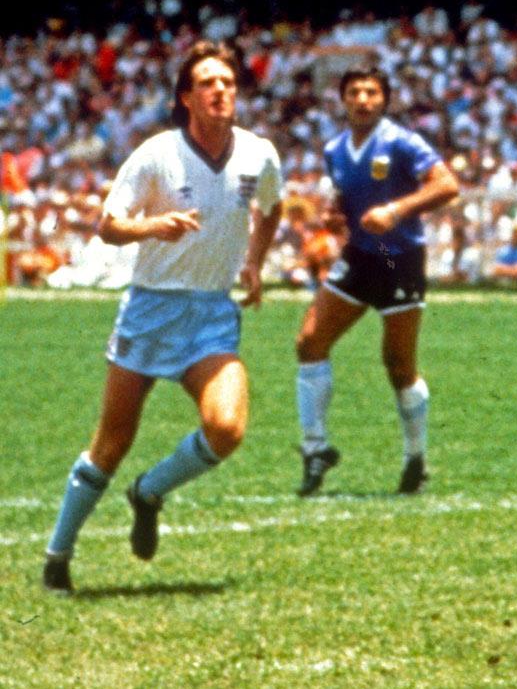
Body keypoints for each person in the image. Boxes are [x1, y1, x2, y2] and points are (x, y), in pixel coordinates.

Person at [42, 42, 283, 593]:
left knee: (226, 427)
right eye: (207, 82)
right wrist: (154, 227)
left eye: (227, 81)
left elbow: (272, 207)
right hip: (151, 308)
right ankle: (58, 554)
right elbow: (107, 225)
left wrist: (254, 264)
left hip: (213, 313)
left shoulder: (258, 155)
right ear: (186, 97)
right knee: (111, 443)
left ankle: (149, 492)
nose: (221, 90)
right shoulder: (157, 155)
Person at [293, 66, 459, 497]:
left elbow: (448, 185)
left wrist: (397, 211)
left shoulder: (402, 142)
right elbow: (346, 201)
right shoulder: (335, 150)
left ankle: (416, 458)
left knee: (398, 365)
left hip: (395, 258)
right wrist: (335, 216)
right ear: (343, 100)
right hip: (362, 255)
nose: (363, 99)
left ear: (383, 100)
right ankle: (316, 450)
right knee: (310, 342)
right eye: (354, 92)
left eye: (371, 92)